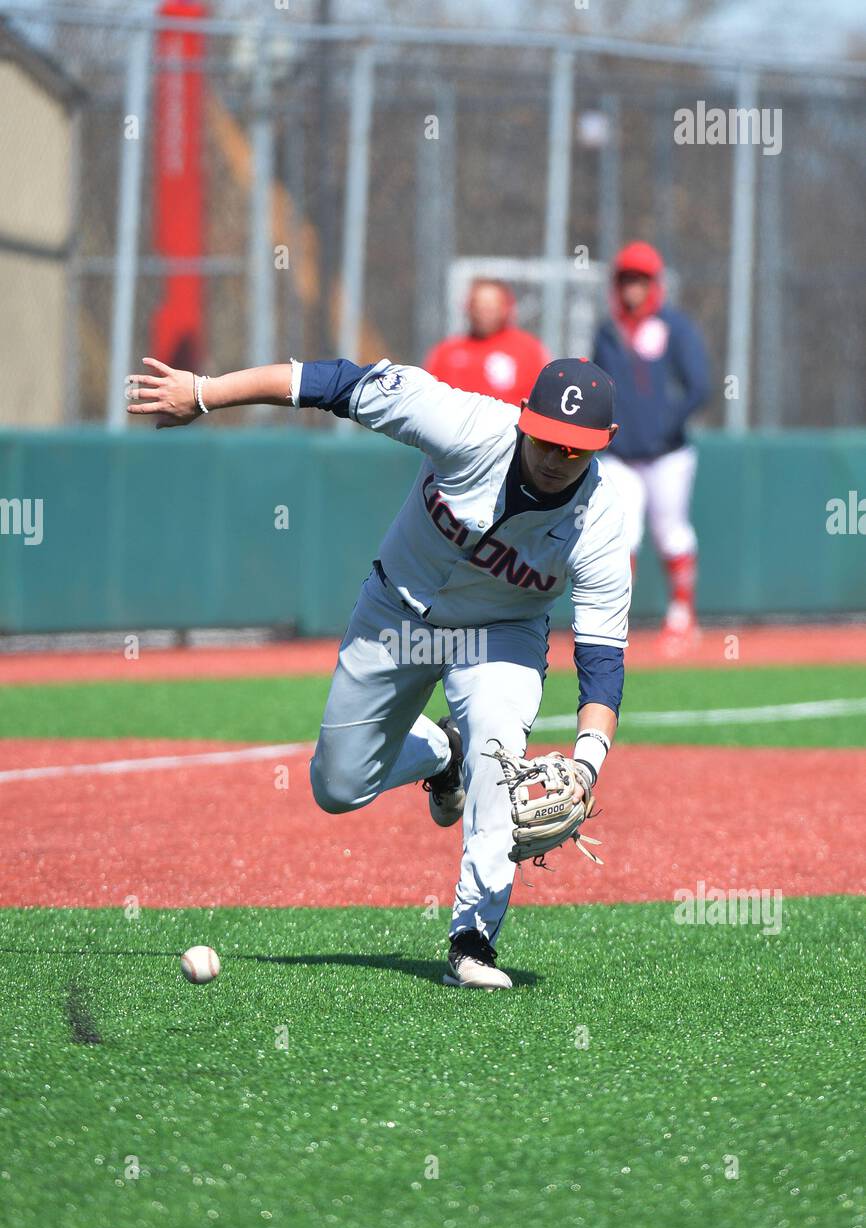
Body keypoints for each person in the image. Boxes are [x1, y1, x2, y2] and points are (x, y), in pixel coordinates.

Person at [125, 351, 630, 991]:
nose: (558, 457)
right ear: (525, 418)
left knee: (497, 764)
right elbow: (331, 383)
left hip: (500, 638)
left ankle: (472, 943)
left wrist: (589, 763)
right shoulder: (463, 424)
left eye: (576, 449)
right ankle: (440, 754)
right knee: (336, 786)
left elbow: (602, 656)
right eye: (548, 439)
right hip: (396, 612)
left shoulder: (601, 523)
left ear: (603, 446)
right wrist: (202, 391)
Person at [592, 241, 711, 652]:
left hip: (669, 454)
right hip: (621, 455)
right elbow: (597, 386)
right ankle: (613, 620)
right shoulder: (607, 330)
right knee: (622, 534)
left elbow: (699, 385)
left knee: (671, 533)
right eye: (626, 279)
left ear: (653, 284)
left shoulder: (673, 326)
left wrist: (665, 427)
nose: (632, 288)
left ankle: (683, 616)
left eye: (640, 280)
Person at [424, 278, 549, 406]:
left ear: (506, 308)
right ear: (469, 308)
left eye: (492, 305)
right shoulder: (447, 352)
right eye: (479, 305)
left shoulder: (528, 349)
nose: (485, 311)